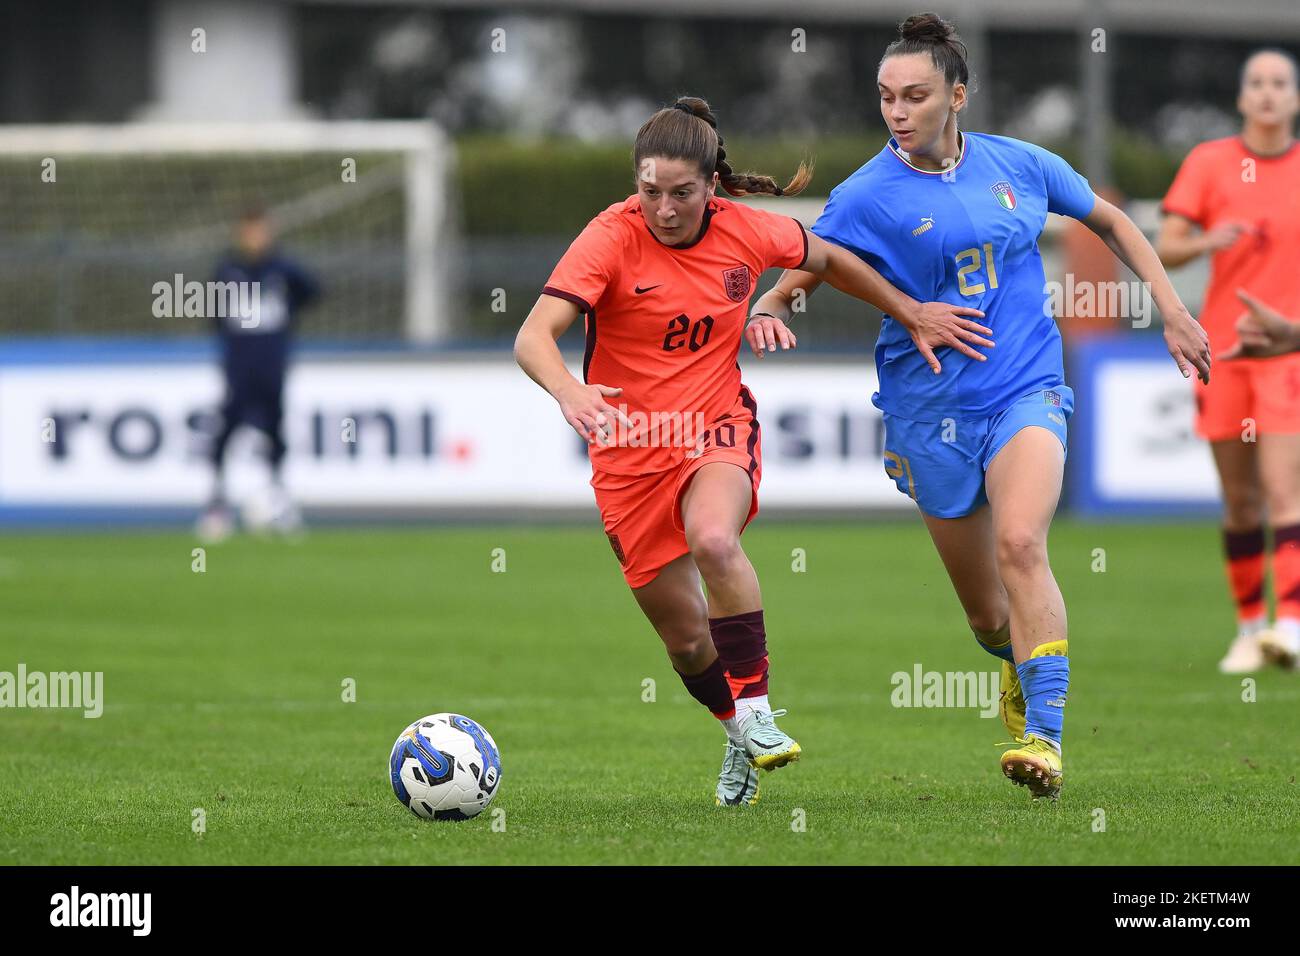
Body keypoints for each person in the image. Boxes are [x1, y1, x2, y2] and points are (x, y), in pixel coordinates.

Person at [748, 13, 1211, 799]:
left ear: (956, 96)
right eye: (886, 97)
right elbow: (803, 271)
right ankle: (1012, 663)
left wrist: (1169, 307)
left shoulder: (1018, 164)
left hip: (1024, 387)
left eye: (915, 96)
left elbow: (1113, 220)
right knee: (986, 616)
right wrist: (771, 308)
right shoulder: (865, 195)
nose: (898, 111)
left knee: (1024, 543)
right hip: (929, 414)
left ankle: (1047, 739)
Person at [514, 95, 991, 806]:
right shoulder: (609, 237)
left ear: (712, 187)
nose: (663, 209)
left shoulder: (747, 232)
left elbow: (830, 257)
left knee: (713, 538)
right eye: (649, 192)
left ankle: (761, 712)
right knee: (684, 644)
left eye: (681, 194)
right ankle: (737, 732)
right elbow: (532, 337)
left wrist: (904, 310)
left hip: (715, 426)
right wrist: (568, 392)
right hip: (628, 454)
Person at [1157, 48, 1300, 673]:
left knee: (1284, 492)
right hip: (1224, 351)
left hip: (1289, 350)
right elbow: (1165, 243)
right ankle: (1248, 630)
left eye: (1280, 83)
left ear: (1294, 98)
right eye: (1257, 83)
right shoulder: (1210, 162)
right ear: (1242, 98)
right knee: (1239, 501)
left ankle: (1290, 624)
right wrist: (1204, 241)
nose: (1268, 94)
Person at [197, 205, 320, 541]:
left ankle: (278, 500)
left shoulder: (283, 269)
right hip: (238, 368)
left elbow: (312, 293)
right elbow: (213, 313)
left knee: (274, 431)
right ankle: (217, 504)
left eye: (260, 230)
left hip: (273, 366)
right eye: (250, 231)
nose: (255, 238)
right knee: (227, 429)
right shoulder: (227, 270)